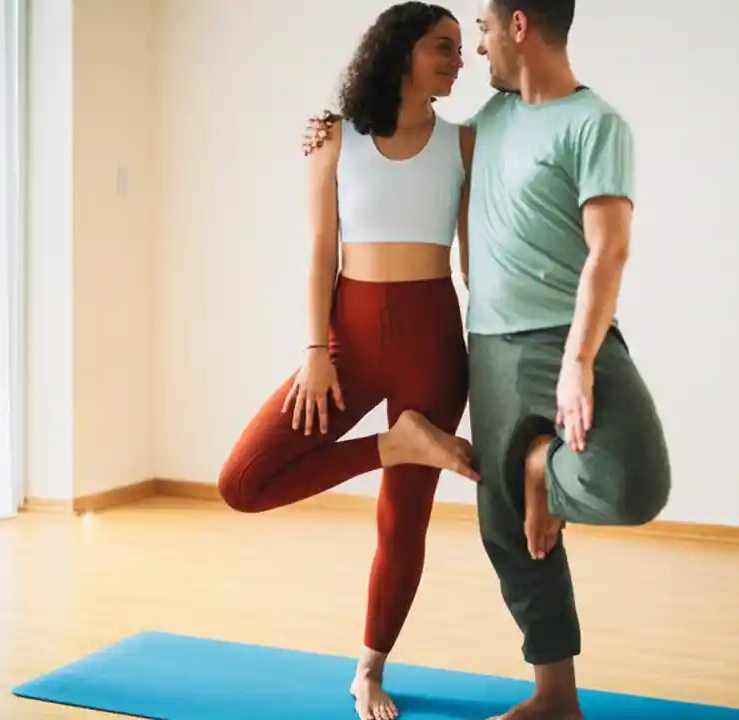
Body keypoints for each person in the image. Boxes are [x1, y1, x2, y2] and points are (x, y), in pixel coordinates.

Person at [304, 2, 672, 718]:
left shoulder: (595, 124)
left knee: (633, 484)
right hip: (489, 341)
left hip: (571, 338)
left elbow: (611, 249)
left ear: (520, 26)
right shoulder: (485, 127)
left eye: (481, 29)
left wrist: (581, 358)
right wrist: (327, 128)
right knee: (504, 523)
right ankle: (556, 696)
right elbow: (406, 141)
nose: (474, 48)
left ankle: (541, 469)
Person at [217, 3, 479, 719]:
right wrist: (314, 351)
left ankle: (370, 669)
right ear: (400, 51)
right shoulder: (335, 136)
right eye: (443, 47)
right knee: (243, 482)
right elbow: (319, 249)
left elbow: (472, 262)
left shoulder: (465, 143)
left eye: (461, 48)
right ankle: (391, 448)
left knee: (403, 523)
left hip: (432, 340)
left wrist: (496, 365)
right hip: (349, 341)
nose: (459, 60)